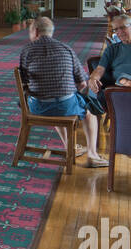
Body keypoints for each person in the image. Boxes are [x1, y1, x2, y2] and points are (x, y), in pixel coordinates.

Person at [18, 17, 109, 167]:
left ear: (35, 31)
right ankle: (92, 155)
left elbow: (24, 79)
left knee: (54, 103)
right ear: (50, 32)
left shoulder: (27, 50)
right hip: (65, 105)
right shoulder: (66, 49)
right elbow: (82, 83)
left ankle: (70, 146)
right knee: (89, 112)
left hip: (37, 107)